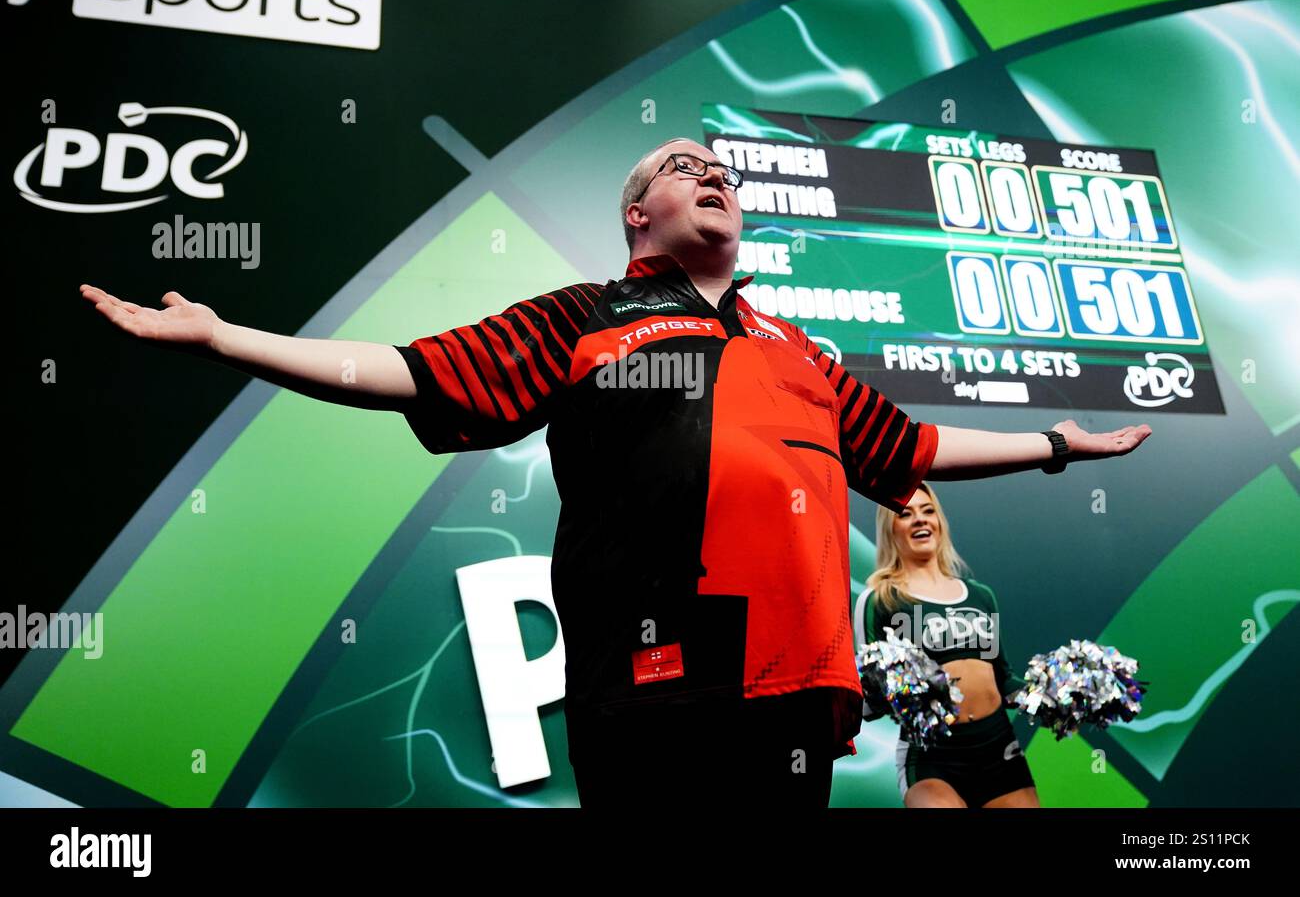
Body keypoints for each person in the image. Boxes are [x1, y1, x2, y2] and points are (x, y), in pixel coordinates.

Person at [78, 136, 1150, 807]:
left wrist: (1057, 445)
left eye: (722, 170)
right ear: (637, 216)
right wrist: (228, 339)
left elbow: (910, 452)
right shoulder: (588, 316)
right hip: (654, 679)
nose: (713, 176)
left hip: (794, 689)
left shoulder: (801, 349)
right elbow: (408, 371)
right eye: (684, 171)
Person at [854, 481, 1038, 808]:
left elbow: (1003, 679)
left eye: (928, 511)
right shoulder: (881, 599)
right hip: (931, 755)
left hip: (999, 748)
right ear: (890, 529)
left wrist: (1052, 697)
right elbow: (868, 695)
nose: (921, 520)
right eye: (905, 514)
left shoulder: (980, 595)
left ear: (939, 522)